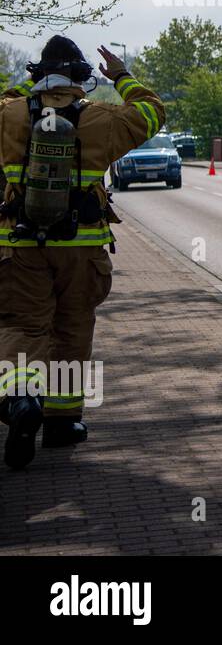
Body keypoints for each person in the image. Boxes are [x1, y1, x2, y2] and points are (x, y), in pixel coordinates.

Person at [0, 39, 165, 470]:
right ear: (81, 78)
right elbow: (152, 111)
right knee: (72, 330)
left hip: (19, 246)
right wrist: (122, 77)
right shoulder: (102, 119)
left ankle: (20, 401)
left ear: (38, 75)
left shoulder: (10, 114)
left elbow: (11, 101)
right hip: (81, 248)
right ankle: (62, 422)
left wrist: (26, 90)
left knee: (23, 325)